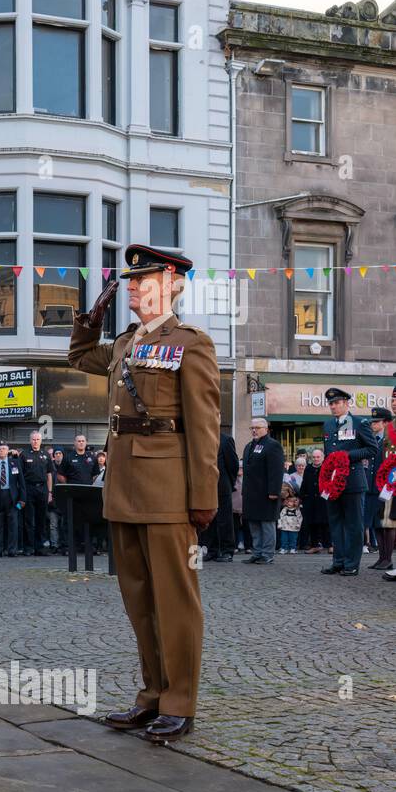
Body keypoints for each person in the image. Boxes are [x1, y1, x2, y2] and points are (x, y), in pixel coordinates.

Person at [68, 243, 220, 743]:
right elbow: (78, 357)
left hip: (170, 490)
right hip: (125, 488)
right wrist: (88, 321)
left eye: (142, 279)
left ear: (171, 281)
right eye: (129, 281)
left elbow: (204, 426)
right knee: (139, 600)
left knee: (176, 601)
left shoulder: (191, 342)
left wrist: (203, 496)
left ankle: (181, 703)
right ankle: (152, 696)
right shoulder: (125, 342)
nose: (131, 287)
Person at [320, 387, 380, 577]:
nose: (334, 406)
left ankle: (351, 563)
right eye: (331, 403)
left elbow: (372, 449)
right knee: (335, 523)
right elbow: (328, 453)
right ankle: (338, 561)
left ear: (346, 404)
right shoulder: (328, 425)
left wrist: (347, 456)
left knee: (354, 524)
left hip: (353, 480)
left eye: (337, 403)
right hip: (332, 483)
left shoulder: (359, 423)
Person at [241, 418, 285, 565]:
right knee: (253, 524)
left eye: (257, 427)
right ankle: (257, 552)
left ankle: (267, 554)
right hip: (251, 494)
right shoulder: (249, 446)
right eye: (252, 428)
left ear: (266, 429)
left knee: (267, 524)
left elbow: (276, 471)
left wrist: (274, 491)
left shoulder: (273, 446)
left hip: (266, 493)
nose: (254, 430)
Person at [201, 432, 239, 563]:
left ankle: (227, 550)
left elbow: (233, 465)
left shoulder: (226, 440)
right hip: (206, 486)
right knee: (209, 520)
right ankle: (212, 550)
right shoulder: (202, 437)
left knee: (225, 520)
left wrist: (229, 482)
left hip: (222, 486)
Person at [17, 431, 54, 555]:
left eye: (38, 439)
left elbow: (49, 475)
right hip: (29, 489)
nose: (35, 442)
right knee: (29, 520)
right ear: (30, 440)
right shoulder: (24, 455)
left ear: (41, 441)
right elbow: (20, 476)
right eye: (33, 439)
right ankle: (29, 547)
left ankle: (40, 547)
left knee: (41, 519)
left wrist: (49, 492)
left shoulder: (46, 455)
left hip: (43, 489)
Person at [0, 443, 25, 557]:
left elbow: (21, 482)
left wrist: (22, 499)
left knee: (13, 526)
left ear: (7, 451)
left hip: (12, 498)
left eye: (4, 449)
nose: (2, 451)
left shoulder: (15, 463)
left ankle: (12, 550)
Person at [371, 408, 396, 572]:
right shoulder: (374, 439)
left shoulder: (390, 438)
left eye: (376, 422)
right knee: (377, 523)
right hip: (374, 485)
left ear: (386, 423)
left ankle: (388, 558)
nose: (373, 424)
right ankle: (381, 557)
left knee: (388, 523)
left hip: (388, 485)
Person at [300, 448, 330, 553]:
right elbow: (304, 484)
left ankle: (330, 545)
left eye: (318, 457)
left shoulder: (327, 468)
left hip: (324, 500)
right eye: (314, 457)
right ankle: (314, 545)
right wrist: (302, 497)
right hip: (310, 500)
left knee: (326, 523)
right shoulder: (308, 469)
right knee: (312, 524)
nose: (316, 459)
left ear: (322, 457)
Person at [277, 488, 302, 555]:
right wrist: (279, 524)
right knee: (284, 539)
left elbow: (299, 518)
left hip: (294, 528)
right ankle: (283, 548)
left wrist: (298, 525)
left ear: (295, 503)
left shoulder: (297, 510)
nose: (289, 503)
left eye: (291, 502)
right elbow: (280, 517)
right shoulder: (284, 510)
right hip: (284, 527)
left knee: (293, 539)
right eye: (288, 501)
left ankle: (292, 548)